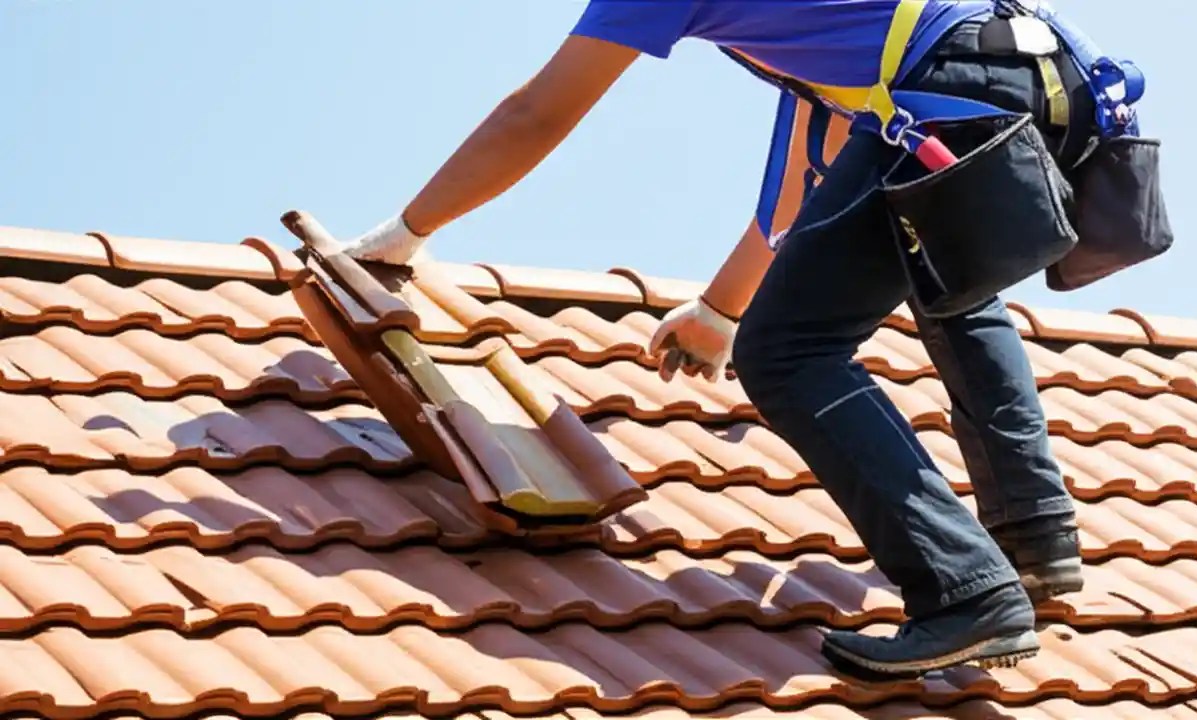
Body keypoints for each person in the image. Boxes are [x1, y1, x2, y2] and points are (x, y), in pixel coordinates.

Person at [342, 0, 1104, 678]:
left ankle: (966, 590)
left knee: (785, 352)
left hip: (952, 82)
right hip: (1039, 74)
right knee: (946, 276)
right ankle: (1037, 539)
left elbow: (536, 115)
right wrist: (719, 310)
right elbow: (818, 162)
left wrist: (406, 232)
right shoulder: (834, 29)